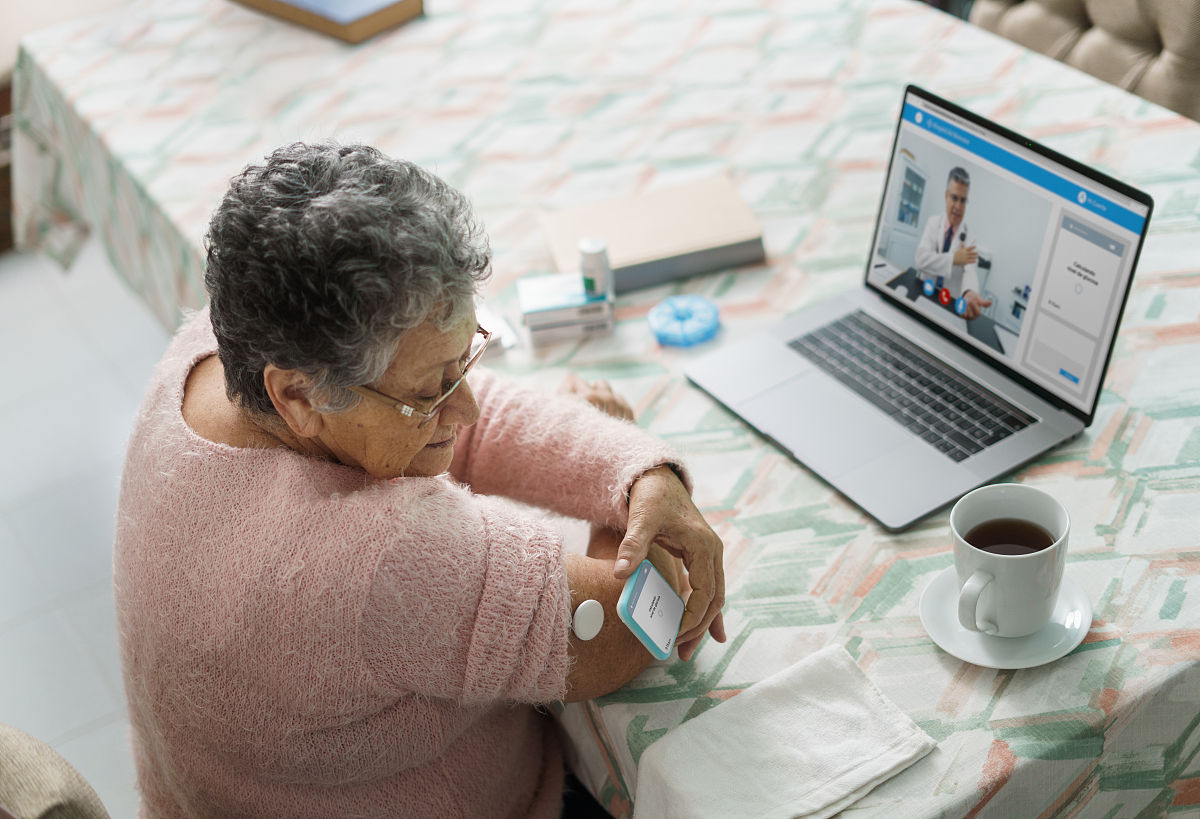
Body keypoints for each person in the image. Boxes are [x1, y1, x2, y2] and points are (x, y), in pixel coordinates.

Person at [113, 142, 726, 819]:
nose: (464, 409)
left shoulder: (208, 351)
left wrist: (630, 467)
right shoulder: (381, 557)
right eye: (431, 392)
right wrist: (649, 517)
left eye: (462, 362)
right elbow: (623, 634)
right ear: (298, 398)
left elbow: (465, 425)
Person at [914, 166, 992, 319]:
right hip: (924, 292)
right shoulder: (933, 223)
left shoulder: (970, 238)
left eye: (963, 201)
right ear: (946, 196)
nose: (958, 206)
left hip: (950, 303)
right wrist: (953, 259)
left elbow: (971, 271)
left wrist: (969, 292)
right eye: (954, 198)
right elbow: (920, 259)